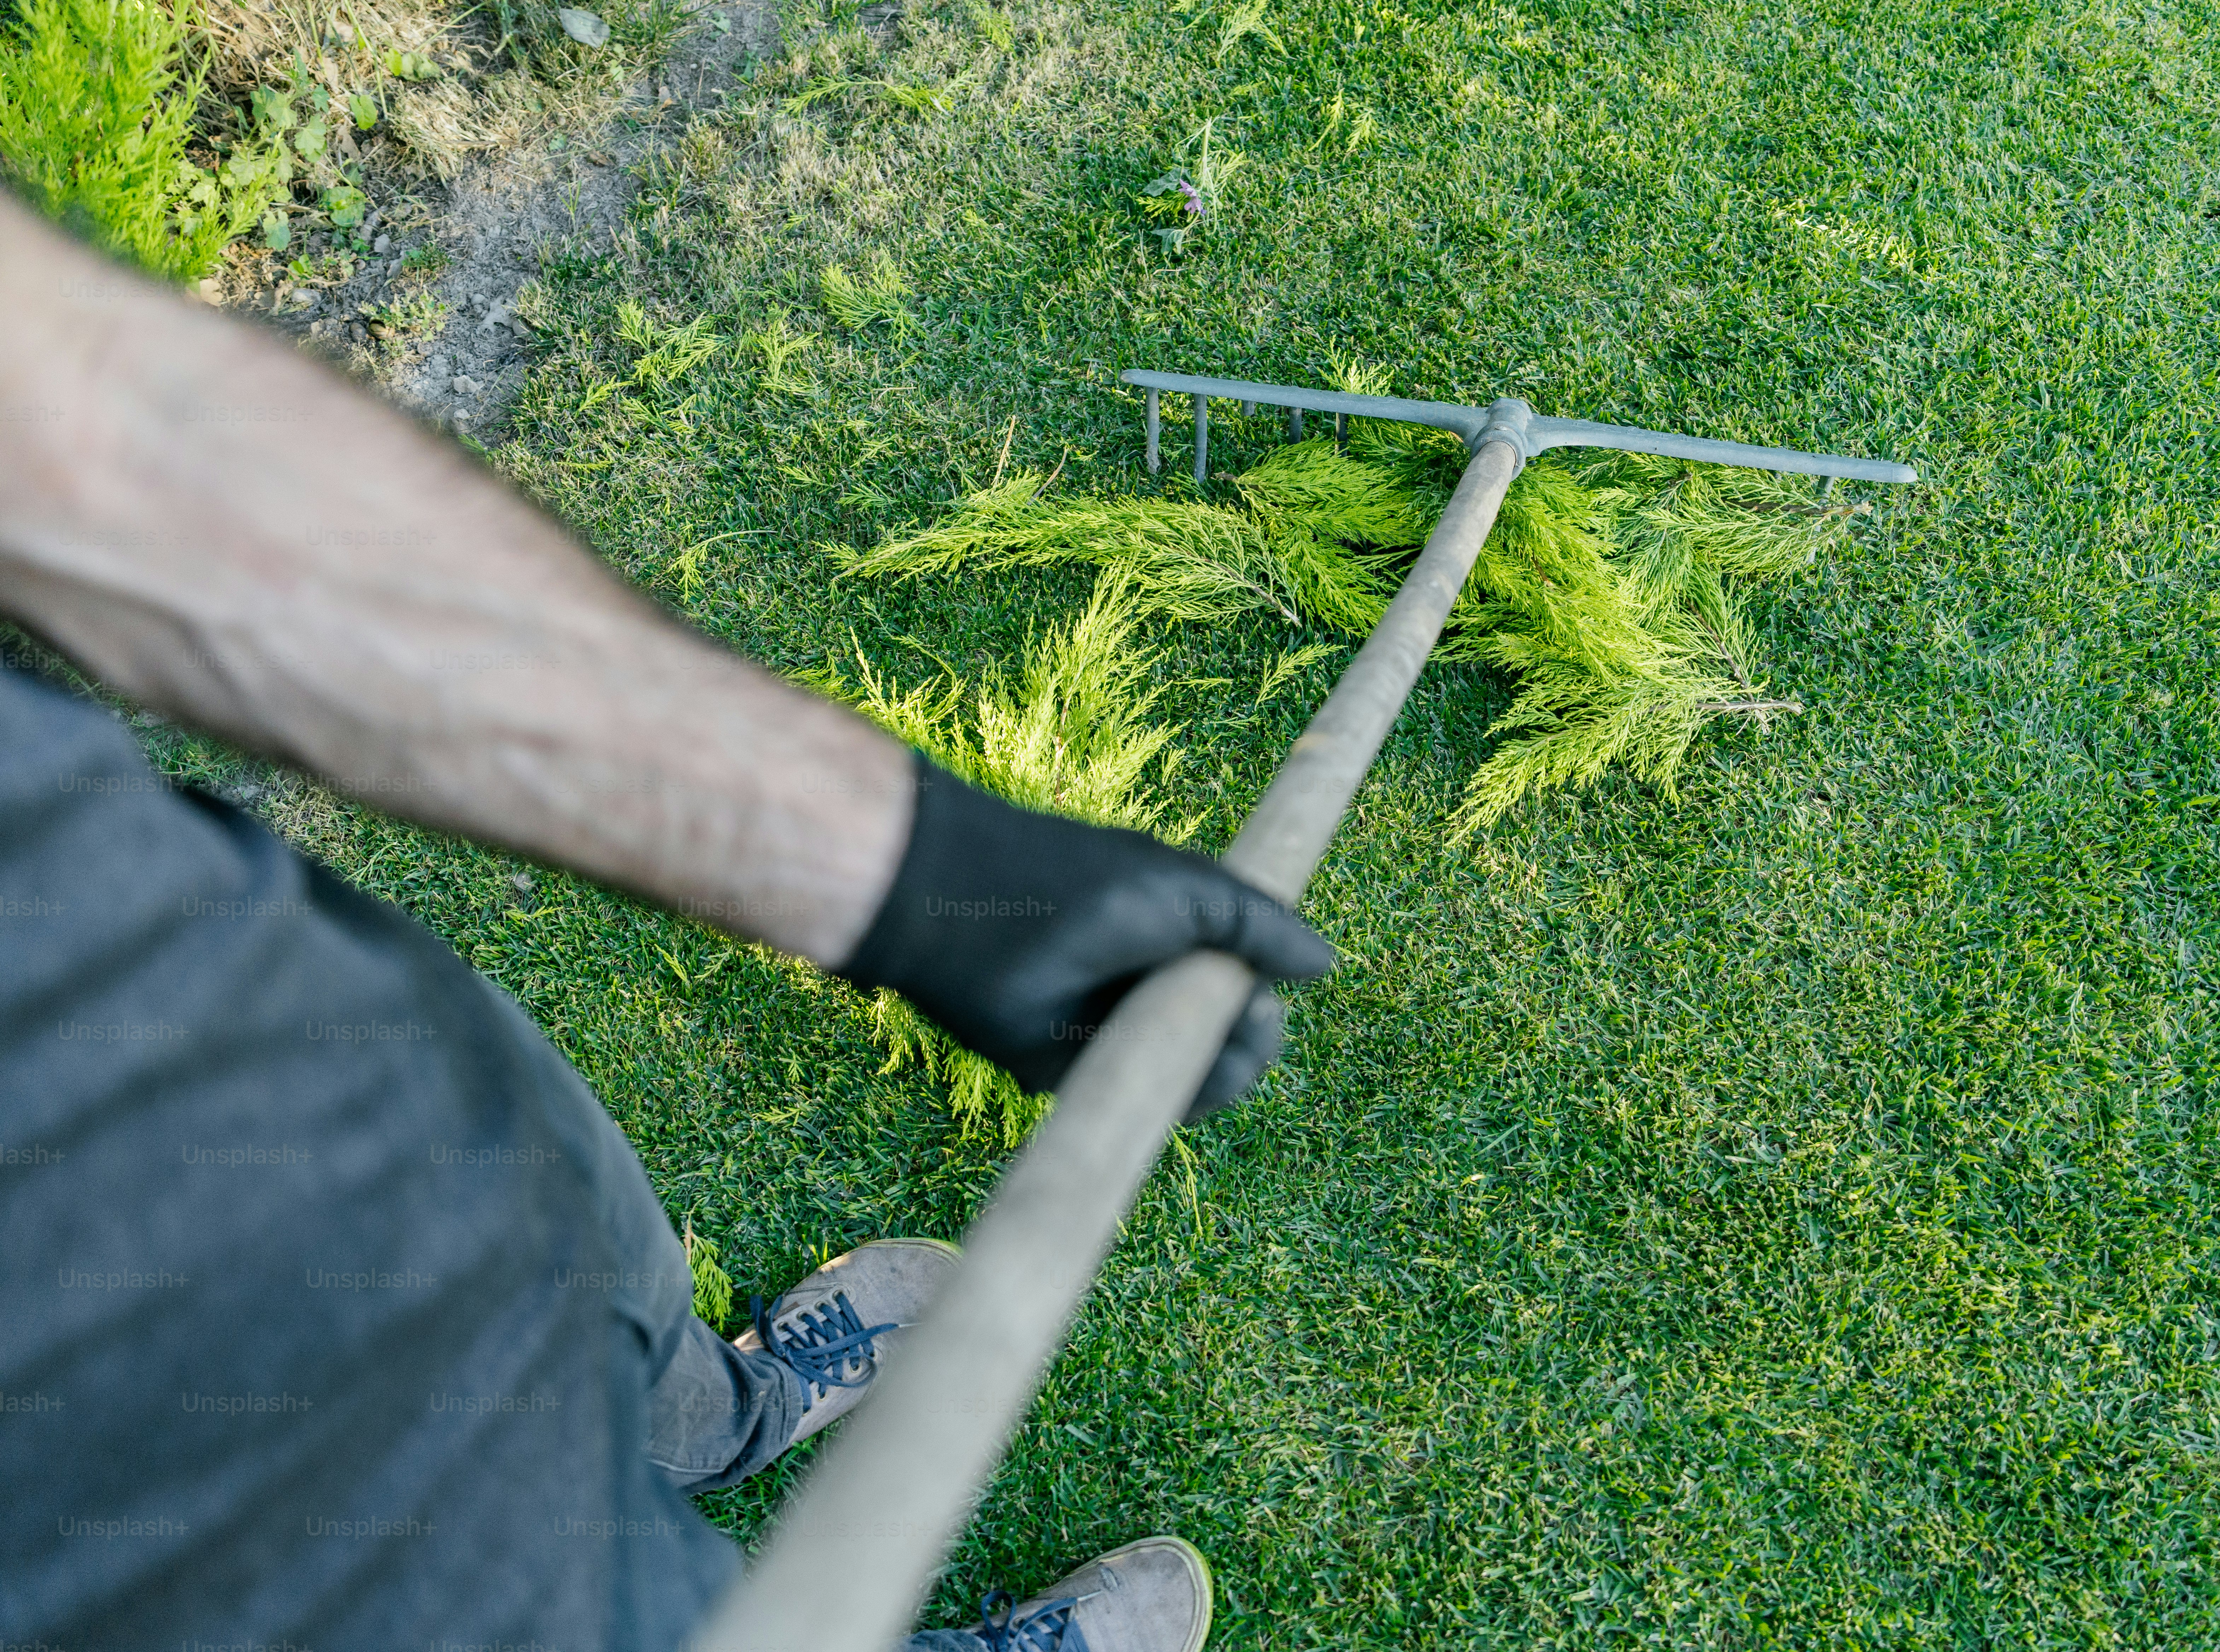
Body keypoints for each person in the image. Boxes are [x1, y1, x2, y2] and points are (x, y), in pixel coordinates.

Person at [0, 189, 1331, 1651]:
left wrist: (912, 868)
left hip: (292, 1049)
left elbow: (101, 449)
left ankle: (722, 1417)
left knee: (594, 1259)